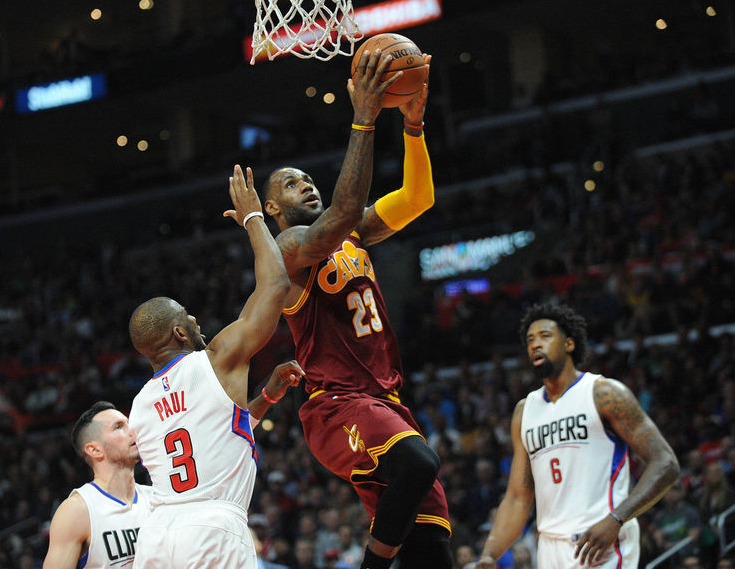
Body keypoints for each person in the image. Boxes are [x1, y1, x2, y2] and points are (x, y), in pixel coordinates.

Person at [262, 48, 451, 569]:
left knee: (429, 545)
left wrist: (413, 125)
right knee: (419, 461)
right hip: (335, 404)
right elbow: (344, 210)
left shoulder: (354, 234)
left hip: (382, 403)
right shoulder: (290, 251)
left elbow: (418, 197)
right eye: (292, 183)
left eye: (308, 177)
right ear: (273, 209)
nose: (308, 184)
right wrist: (365, 117)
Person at [127, 164, 303, 569]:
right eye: (188, 316)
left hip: (156, 537)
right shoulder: (216, 361)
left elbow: (212, 435)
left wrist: (265, 399)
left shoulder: (139, 406)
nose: (197, 321)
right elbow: (276, 285)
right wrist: (253, 218)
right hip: (212, 527)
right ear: (179, 333)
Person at [477, 303, 680, 569]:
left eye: (545, 336)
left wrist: (617, 519)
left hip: (601, 540)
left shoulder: (603, 393)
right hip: (550, 548)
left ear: (569, 344)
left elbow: (665, 463)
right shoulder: (524, 411)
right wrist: (490, 554)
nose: (535, 345)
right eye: (530, 340)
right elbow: (518, 496)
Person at [43, 401, 152, 569]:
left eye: (129, 423)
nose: (133, 430)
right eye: (118, 427)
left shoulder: (157, 498)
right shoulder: (77, 511)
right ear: (95, 450)